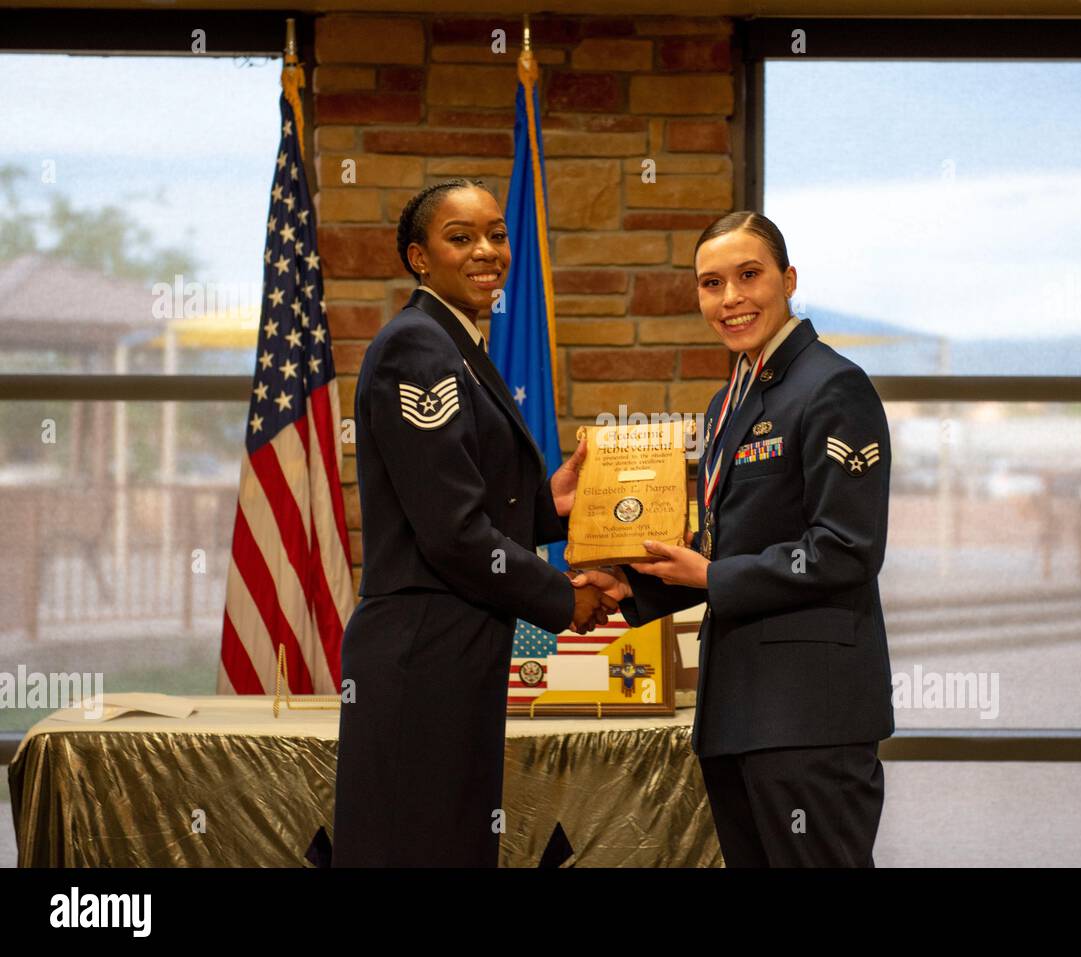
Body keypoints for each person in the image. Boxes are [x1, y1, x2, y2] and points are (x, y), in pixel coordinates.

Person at [574, 211, 894, 867]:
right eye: (711, 283)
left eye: (749, 276)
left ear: (789, 279)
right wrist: (630, 588)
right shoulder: (729, 402)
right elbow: (721, 552)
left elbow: (847, 547)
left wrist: (711, 576)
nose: (731, 299)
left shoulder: (833, 386)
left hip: (810, 716)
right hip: (738, 713)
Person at [332, 179, 613, 867]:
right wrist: (563, 598)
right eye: (462, 237)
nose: (488, 250)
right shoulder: (417, 349)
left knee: (449, 844)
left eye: (496, 233)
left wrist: (551, 505)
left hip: (448, 649)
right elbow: (454, 533)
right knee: (419, 848)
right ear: (418, 258)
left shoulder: (454, 343)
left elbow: (460, 500)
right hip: (422, 652)